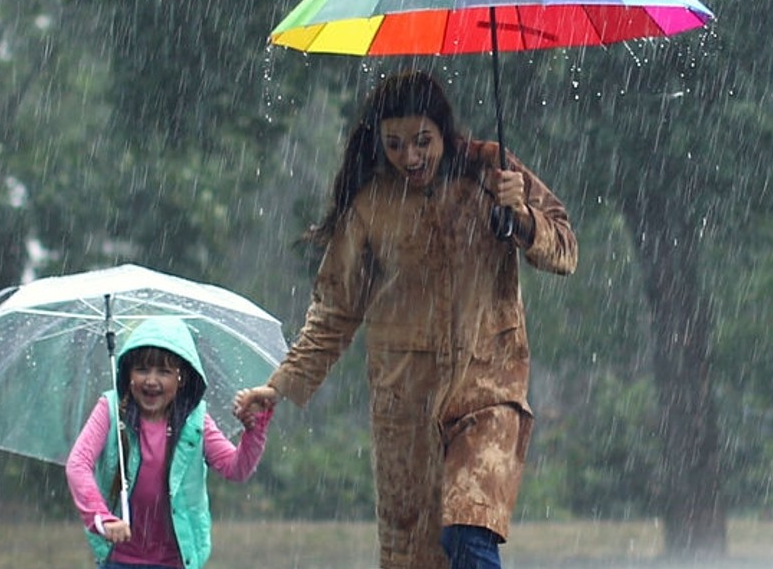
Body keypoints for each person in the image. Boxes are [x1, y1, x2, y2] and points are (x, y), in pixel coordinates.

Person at [234, 70, 577, 569]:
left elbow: (565, 250)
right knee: (415, 554)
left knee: (469, 528)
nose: (410, 158)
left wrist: (520, 216)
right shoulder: (371, 203)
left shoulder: (491, 173)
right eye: (395, 145)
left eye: (422, 142)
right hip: (405, 402)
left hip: (488, 388)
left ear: (444, 132)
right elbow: (335, 310)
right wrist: (280, 384)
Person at [66, 315, 273, 569]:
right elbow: (78, 464)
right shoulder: (109, 409)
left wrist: (255, 430)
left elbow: (236, 468)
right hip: (118, 560)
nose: (151, 380)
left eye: (164, 371)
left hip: (175, 561)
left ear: (181, 378)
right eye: (142, 369)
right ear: (128, 373)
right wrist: (101, 518)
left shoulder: (195, 421)